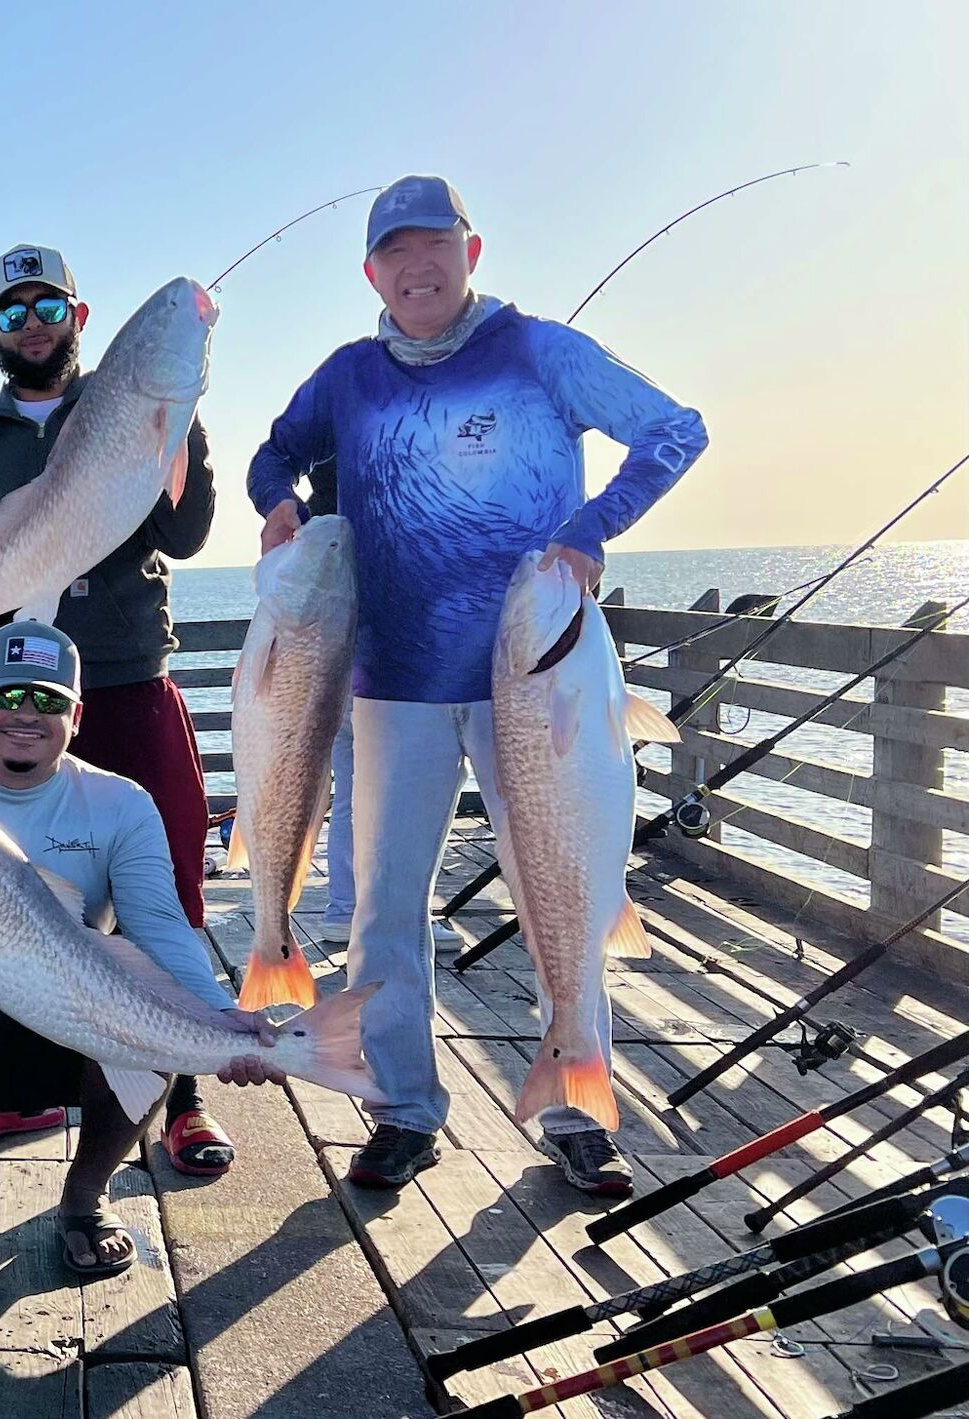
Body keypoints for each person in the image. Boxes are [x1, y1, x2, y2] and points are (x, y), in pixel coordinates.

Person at [247, 175, 708, 1196]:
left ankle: (575, 1092)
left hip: (533, 688)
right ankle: (403, 1107)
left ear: (471, 250)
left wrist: (589, 530)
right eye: (393, 253)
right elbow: (271, 452)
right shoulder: (346, 375)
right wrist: (278, 499)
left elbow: (674, 430)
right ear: (370, 272)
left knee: (569, 886)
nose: (416, 267)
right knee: (379, 912)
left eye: (434, 246)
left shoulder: (540, 351)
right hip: (388, 684)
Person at [0, 621, 286, 1276]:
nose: (24, 714)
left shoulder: (119, 802)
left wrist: (220, 1014)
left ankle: (85, 1197)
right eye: (7, 696)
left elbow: (160, 926)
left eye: (46, 700)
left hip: (63, 1001)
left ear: (77, 715)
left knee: (154, 1047)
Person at [0, 244, 234, 1176]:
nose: (32, 325)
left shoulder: (133, 404)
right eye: (12, 313)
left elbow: (185, 533)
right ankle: (3, 1088)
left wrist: (179, 422)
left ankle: (181, 1093)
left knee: (172, 882)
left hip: (131, 672)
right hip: (11, 691)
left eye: (46, 305)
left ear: (80, 314)